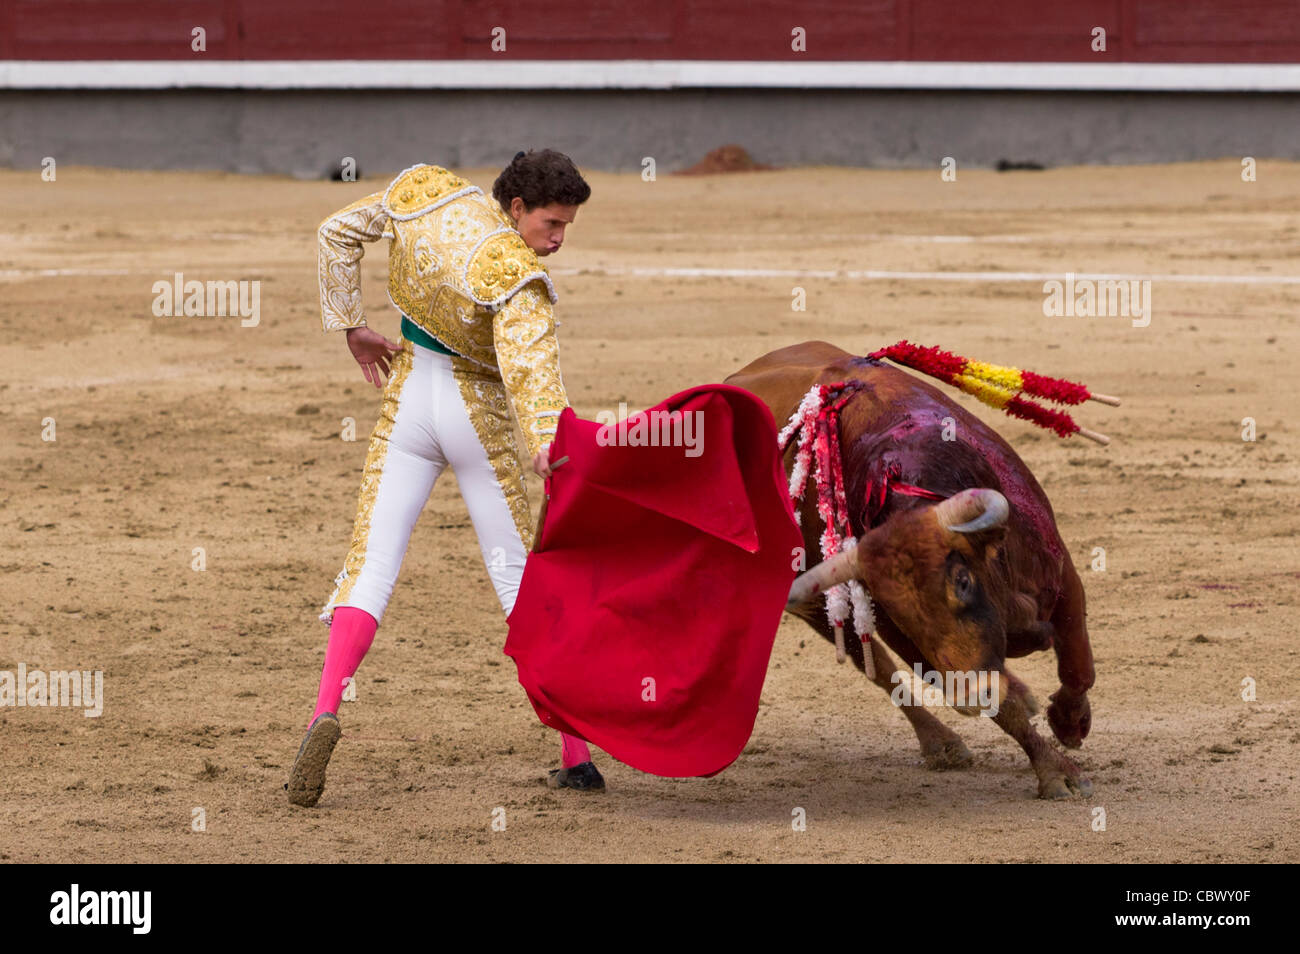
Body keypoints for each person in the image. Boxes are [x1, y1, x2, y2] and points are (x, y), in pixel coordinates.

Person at [286, 149, 604, 807]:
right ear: (516, 208)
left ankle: (324, 709)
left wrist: (352, 326)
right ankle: (577, 757)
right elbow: (530, 371)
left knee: (370, 565)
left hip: (407, 401)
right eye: (551, 222)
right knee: (518, 579)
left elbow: (336, 232)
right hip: (474, 419)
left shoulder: (429, 195)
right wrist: (549, 442)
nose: (558, 238)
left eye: (567, 225)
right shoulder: (517, 277)